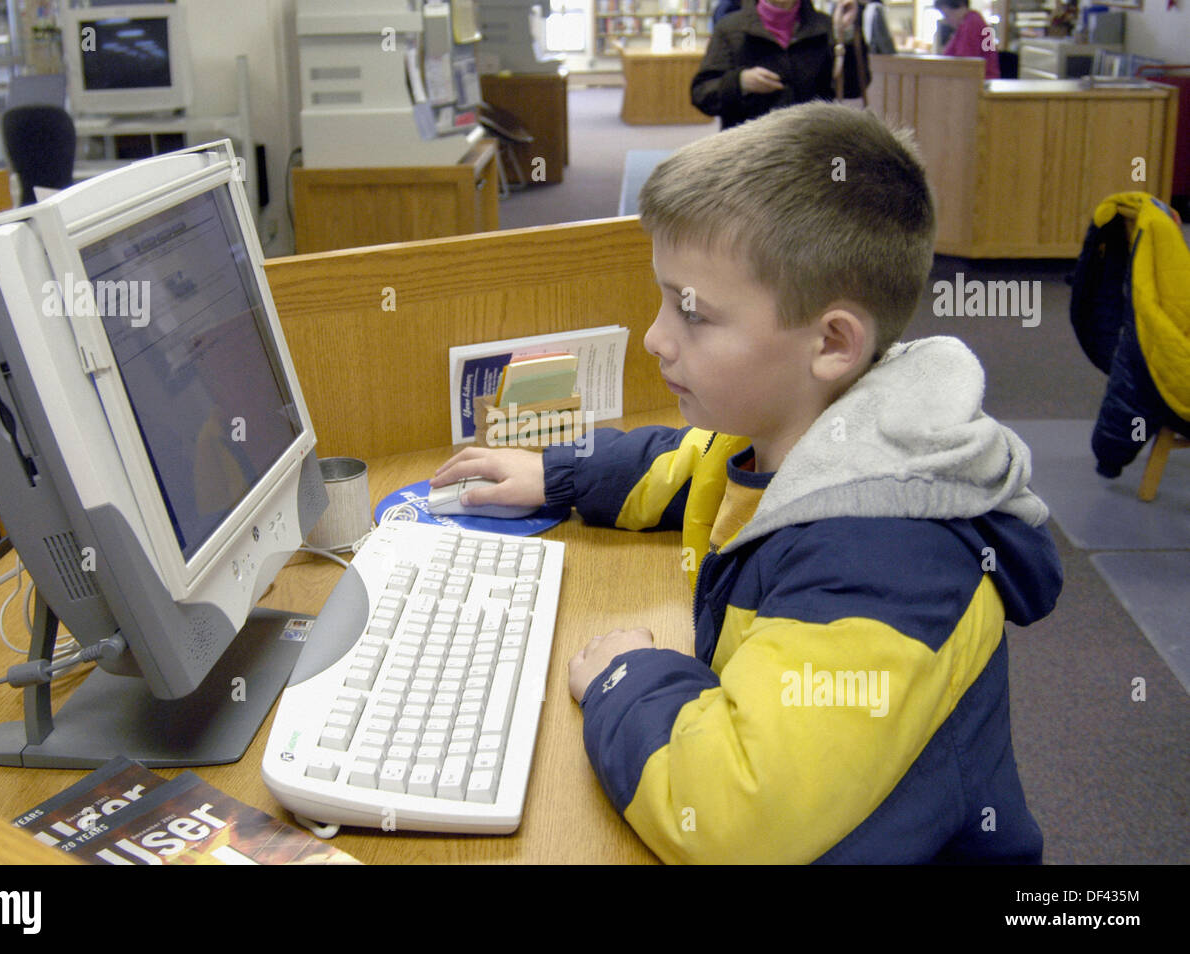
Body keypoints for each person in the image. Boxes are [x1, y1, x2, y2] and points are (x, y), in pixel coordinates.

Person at [430, 101, 1061, 863]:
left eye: (692, 313)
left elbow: (735, 818)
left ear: (832, 343)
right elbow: (688, 464)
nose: (657, 338)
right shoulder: (802, 429)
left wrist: (626, 675)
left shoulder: (886, 567)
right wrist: (558, 473)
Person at [692, 0, 867, 130]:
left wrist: (846, 33)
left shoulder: (826, 26)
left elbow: (853, 88)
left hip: (811, 152)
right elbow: (702, 94)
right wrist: (740, 82)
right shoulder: (730, 28)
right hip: (748, 156)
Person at [935, 0, 1000, 79]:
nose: (946, 21)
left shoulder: (971, 26)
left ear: (958, 7)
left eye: (947, 15)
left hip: (977, 82)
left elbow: (964, 64)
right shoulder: (971, 21)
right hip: (976, 80)